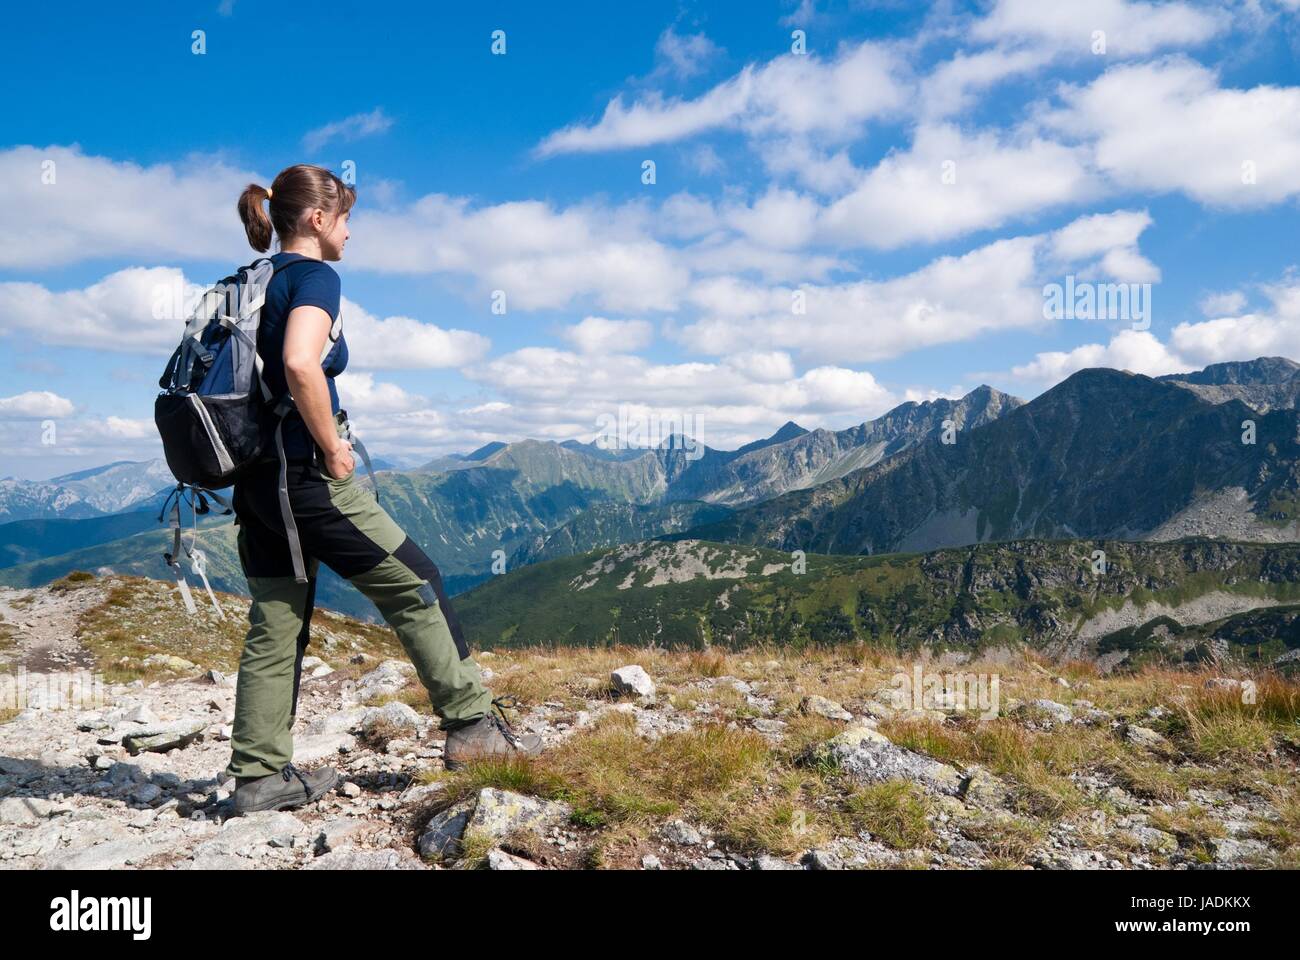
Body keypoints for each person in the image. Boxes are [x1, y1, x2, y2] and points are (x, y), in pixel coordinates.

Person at [223, 163, 540, 815]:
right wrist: (333, 446)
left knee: (277, 618)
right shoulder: (314, 276)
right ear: (317, 220)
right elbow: (299, 363)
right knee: (417, 584)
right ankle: (474, 728)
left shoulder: (244, 284)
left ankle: (258, 778)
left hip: (253, 481)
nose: (350, 233)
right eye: (345, 219)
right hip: (306, 475)